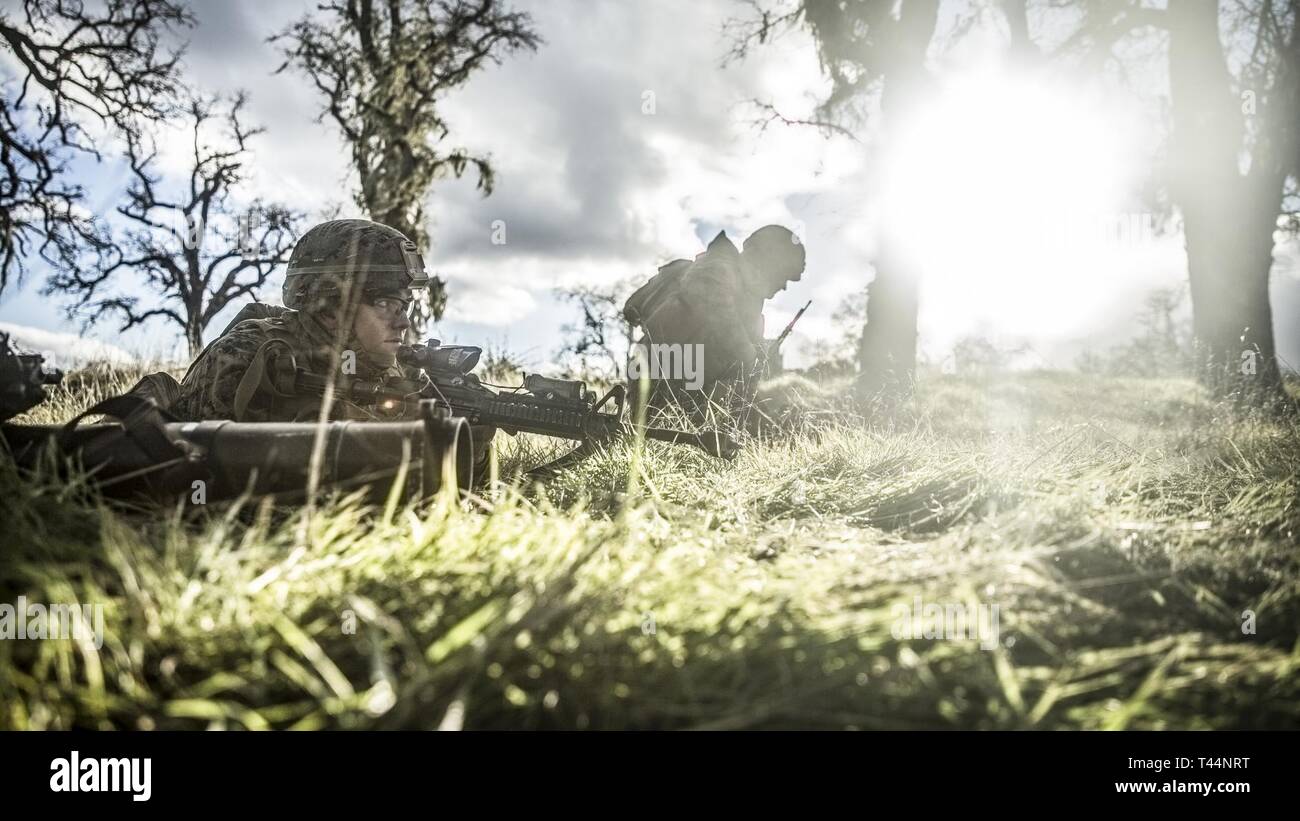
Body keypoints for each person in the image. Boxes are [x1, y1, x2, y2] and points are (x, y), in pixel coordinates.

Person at [171, 218, 495, 476]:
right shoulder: (248, 355)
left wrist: (471, 450)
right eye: (385, 303)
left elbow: (443, 489)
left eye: (405, 306)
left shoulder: (402, 373)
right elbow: (194, 474)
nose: (403, 323)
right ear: (329, 307)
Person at [622, 224, 806, 422]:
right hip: (660, 380)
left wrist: (768, 420)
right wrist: (748, 354)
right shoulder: (718, 266)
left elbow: (741, 385)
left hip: (688, 390)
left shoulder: (748, 302)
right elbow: (711, 303)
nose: (784, 287)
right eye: (783, 275)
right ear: (767, 262)